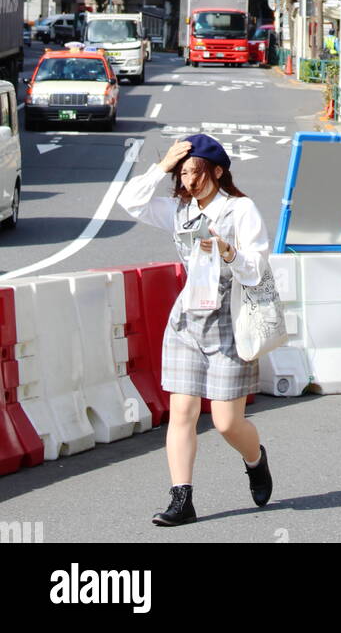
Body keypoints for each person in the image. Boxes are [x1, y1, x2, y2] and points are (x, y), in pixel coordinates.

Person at [118, 133, 274, 527]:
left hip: (229, 323)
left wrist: (230, 252)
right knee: (182, 413)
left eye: (196, 172)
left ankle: (255, 459)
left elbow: (257, 268)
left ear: (218, 172)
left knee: (225, 422)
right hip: (186, 322)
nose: (188, 181)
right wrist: (161, 166)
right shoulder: (179, 210)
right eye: (183, 173)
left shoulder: (240, 210)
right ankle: (181, 498)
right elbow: (130, 201)